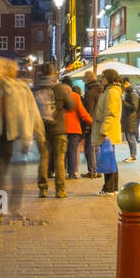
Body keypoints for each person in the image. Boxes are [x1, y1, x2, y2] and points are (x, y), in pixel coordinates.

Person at [0, 57, 38, 223]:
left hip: (17, 138)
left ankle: (15, 209)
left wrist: (32, 136)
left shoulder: (21, 89)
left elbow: (29, 113)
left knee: (17, 178)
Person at [33, 64, 73, 197]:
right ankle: (60, 190)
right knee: (59, 159)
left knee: (43, 159)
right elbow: (71, 105)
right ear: (54, 73)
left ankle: (43, 189)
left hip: (41, 129)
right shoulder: (60, 88)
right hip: (58, 129)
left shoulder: (36, 89)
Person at [91, 68, 125, 195]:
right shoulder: (110, 91)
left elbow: (111, 113)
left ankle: (109, 188)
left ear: (110, 78)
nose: (101, 79)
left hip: (108, 131)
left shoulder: (112, 92)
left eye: (104, 77)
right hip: (108, 130)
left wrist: (105, 132)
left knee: (108, 159)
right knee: (110, 159)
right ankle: (112, 187)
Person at [60, 74, 94, 181]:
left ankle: (61, 173)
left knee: (62, 152)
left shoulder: (58, 96)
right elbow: (83, 113)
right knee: (72, 151)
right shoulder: (75, 96)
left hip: (61, 128)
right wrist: (92, 123)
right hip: (74, 129)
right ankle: (71, 174)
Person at [81, 70, 102, 177]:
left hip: (92, 123)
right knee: (96, 147)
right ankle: (97, 171)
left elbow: (89, 110)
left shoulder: (90, 93)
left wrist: (87, 125)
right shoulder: (100, 90)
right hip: (100, 122)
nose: (83, 81)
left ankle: (92, 171)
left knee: (90, 148)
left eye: (84, 79)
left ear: (88, 79)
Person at [120, 77, 140, 163]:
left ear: (126, 83)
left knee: (131, 137)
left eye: (122, 84)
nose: (121, 86)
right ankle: (132, 155)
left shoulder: (132, 93)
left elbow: (134, 107)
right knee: (129, 137)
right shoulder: (128, 92)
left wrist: (123, 102)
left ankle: (133, 156)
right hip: (129, 118)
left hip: (132, 118)